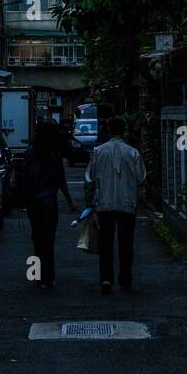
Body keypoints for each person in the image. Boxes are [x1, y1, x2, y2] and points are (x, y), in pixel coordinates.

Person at [85, 117, 146, 294]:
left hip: (104, 202)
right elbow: (141, 178)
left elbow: (89, 180)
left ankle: (106, 278)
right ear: (123, 130)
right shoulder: (133, 152)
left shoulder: (98, 152)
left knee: (105, 242)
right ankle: (125, 279)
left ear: (109, 131)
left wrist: (90, 205)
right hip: (127, 203)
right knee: (126, 242)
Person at [22, 121, 78, 288]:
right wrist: (70, 201)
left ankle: (36, 275)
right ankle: (49, 277)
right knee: (49, 239)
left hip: (33, 202)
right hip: (49, 203)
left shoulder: (30, 153)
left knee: (36, 238)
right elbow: (61, 180)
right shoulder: (54, 154)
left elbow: (25, 178)